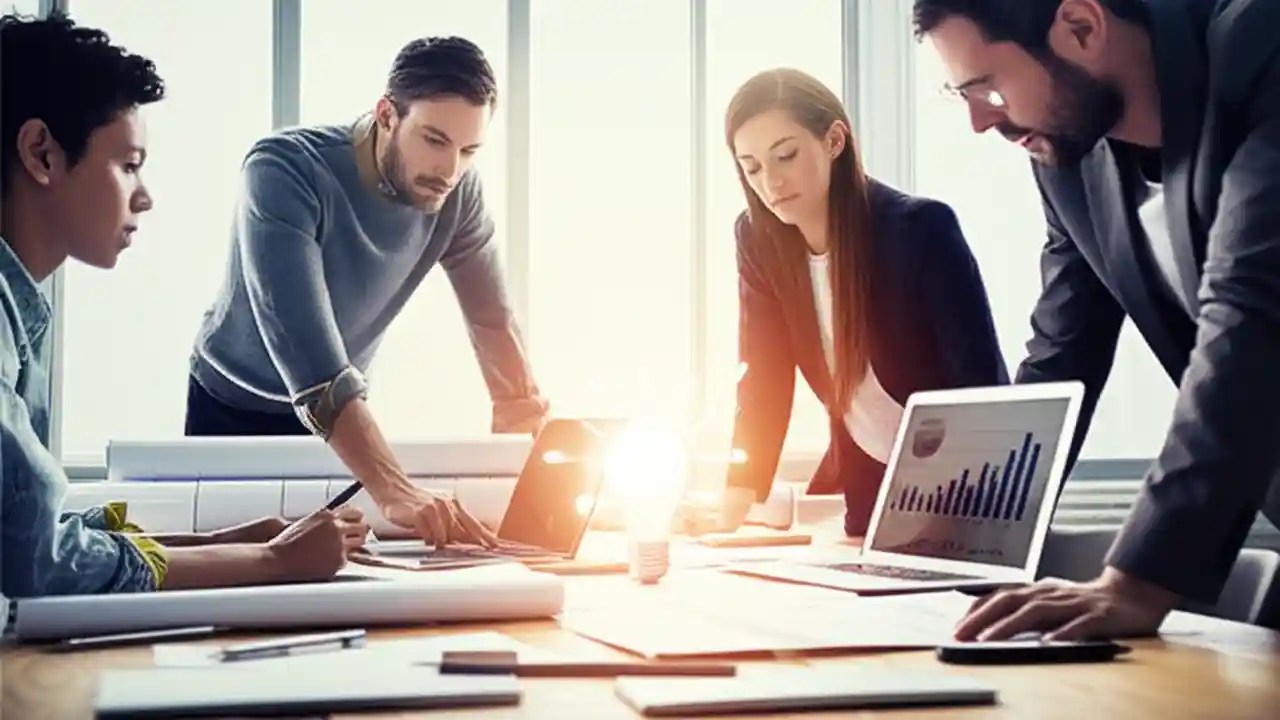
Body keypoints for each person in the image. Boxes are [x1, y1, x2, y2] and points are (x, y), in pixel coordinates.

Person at [914, 0, 1280, 638]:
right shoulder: (1070, 157)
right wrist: (963, 542)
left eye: (989, 88)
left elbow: (1252, 309)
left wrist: (1136, 580)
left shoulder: (1261, 44)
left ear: (1081, 26)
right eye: (963, 96)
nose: (978, 122)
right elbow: (1062, 352)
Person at [0, 12, 367, 597]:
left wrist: (239, 543)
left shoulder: (22, 311)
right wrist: (269, 562)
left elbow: (23, 536)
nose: (143, 197)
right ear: (42, 153)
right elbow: (39, 565)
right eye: (128, 166)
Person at [186, 36, 548, 549]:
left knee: (335, 569)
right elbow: (313, 364)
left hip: (341, 421)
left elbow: (494, 321)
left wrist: (525, 429)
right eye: (434, 140)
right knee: (236, 580)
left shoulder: (458, 192)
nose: (450, 170)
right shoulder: (283, 170)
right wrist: (395, 488)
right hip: (231, 407)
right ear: (386, 115)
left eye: (469, 151)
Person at [717, 69, 1008, 537]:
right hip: (868, 482)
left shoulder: (920, 228)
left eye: (786, 155)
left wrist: (969, 498)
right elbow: (763, 375)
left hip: (968, 484)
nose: (769, 182)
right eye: (751, 167)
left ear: (834, 141)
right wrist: (733, 500)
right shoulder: (757, 239)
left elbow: (975, 383)